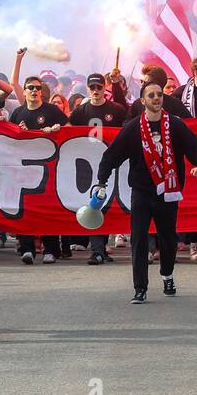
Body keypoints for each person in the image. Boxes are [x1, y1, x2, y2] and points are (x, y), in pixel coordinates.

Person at [97, 81, 197, 304]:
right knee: (138, 240)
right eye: (151, 95)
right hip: (141, 192)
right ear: (143, 101)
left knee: (167, 239)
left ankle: (167, 275)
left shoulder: (175, 125)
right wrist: (101, 182)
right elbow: (111, 156)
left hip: (168, 191)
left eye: (159, 95)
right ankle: (140, 288)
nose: (157, 98)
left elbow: (195, 147)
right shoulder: (132, 128)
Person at [8, 73, 69, 264]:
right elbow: (9, 138)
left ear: (42, 92)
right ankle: (27, 249)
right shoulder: (18, 113)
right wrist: (19, 131)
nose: (34, 91)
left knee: (48, 209)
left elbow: (71, 128)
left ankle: (51, 249)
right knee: (26, 209)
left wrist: (58, 128)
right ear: (24, 92)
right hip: (25, 169)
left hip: (49, 168)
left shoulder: (51, 110)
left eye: (37, 88)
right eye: (30, 88)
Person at [69, 73, 128, 265]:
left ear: (105, 88)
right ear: (87, 88)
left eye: (99, 87)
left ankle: (102, 248)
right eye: (92, 87)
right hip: (89, 165)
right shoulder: (80, 111)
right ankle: (96, 250)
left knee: (109, 205)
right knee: (94, 203)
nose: (96, 91)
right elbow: (67, 131)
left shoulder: (116, 109)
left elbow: (127, 126)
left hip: (112, 164)